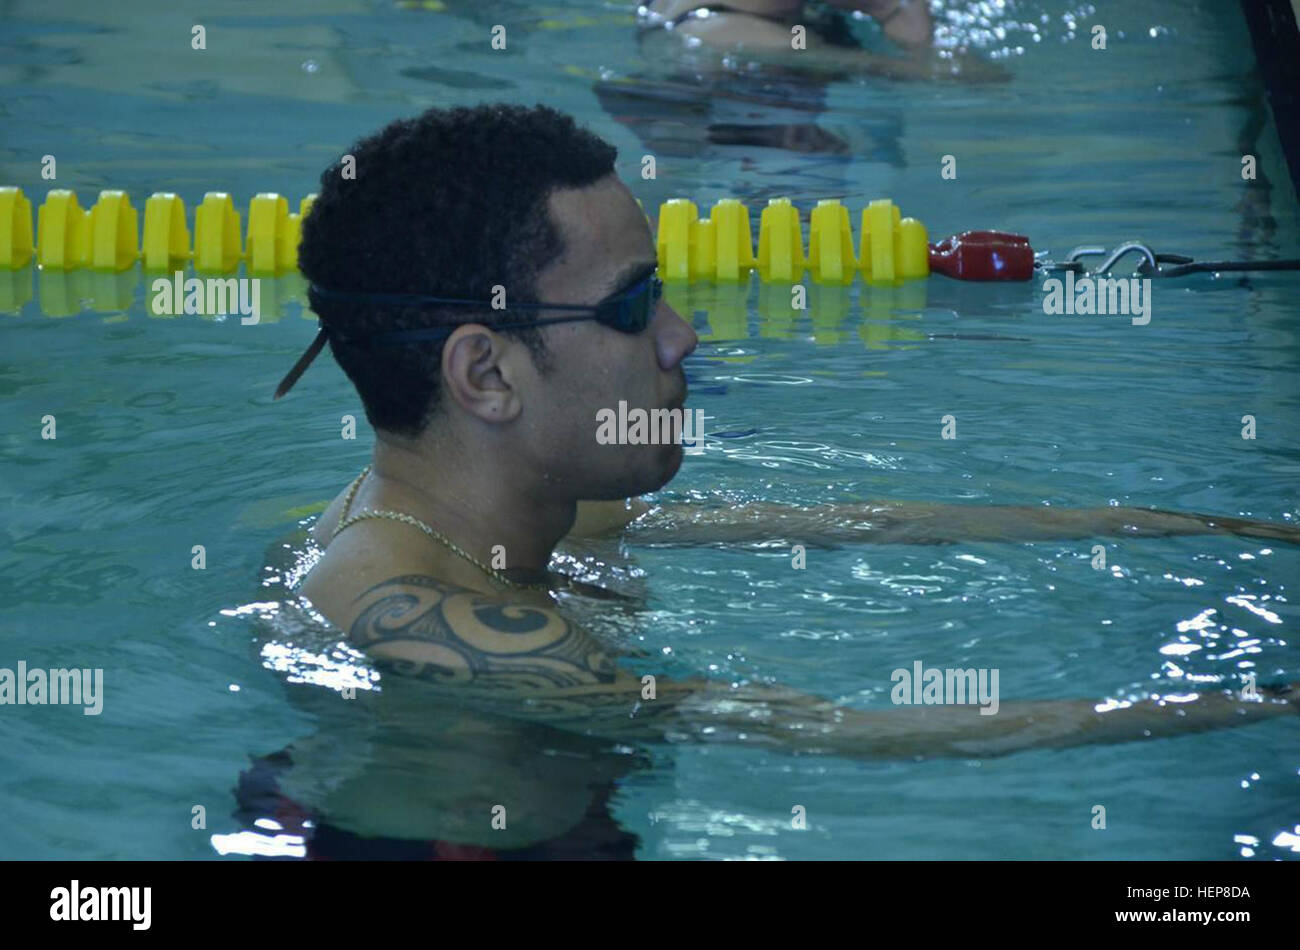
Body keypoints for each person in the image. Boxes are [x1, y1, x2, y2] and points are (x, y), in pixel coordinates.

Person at [254, 103, 1296, 856]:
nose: (681, 336)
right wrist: (1270, 700)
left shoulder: (527, 503)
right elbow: (842, 731)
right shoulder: (436, 625)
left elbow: (859, 521)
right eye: (632, 307)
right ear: (484, 373)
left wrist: (1196, 522)